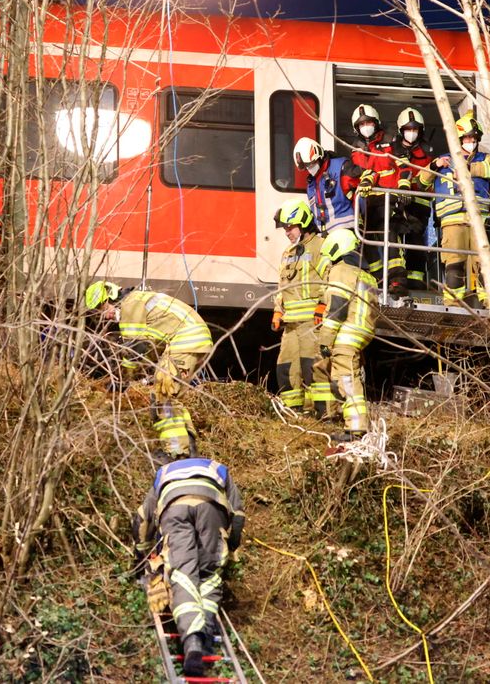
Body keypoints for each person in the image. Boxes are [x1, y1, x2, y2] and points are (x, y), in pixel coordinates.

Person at [132, 456, 246, 678]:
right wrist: (231, 544)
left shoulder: (163, 472)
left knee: (183, 574)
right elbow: (238, 514)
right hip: (212, 510)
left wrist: (141, 555)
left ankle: (192, 641)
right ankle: (205, 635)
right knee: (210, 574)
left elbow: (142, 519)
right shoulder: (217, 467)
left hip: (174, 510)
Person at [86, 281, 214, 458]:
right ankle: (189, 450)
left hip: (185, 341)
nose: (103, 316)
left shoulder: (129, 307)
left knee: (163, 397)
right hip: (193, 340)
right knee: (172, 397)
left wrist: (121, 381)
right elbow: (150, 346)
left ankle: (176, 452)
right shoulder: (137, 301)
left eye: (102, 308)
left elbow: (134, 349)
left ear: (111, 297)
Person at [418, 113, 490, 306]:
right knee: (454, 263)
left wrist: (467, 169)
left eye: (474, 138)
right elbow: (421, 182)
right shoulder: (443, 161)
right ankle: (453, 304)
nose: (471, 141)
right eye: (467, 138)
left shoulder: (486, 158)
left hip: (479, 220)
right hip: (451, 220)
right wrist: (434, 165)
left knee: (484, 264)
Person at [313, 228, 378, 442]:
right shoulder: (365, 273)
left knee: (346, 378)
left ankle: (356, 429)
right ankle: (353, 422)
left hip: (347, 332)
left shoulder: (341, 270)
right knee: (349, 376)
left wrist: (324, 341)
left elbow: (337, 308)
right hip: (363, 330)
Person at [270, 198, 332, 418]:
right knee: (285, 367)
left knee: (311, 367)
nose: (287, 232)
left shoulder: (321, 246)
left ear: (303, 223)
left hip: (311, 323)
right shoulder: (288, 253)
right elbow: (282, 285)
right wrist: (278, 310)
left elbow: (329, 279)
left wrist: (323, 305)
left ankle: (321, 413)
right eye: (285, 228)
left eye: (290, 227)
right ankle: (292, 411)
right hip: (291, 324)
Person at [347, 105, 408, 298]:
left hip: (388, 198)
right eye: (362, 124)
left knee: (390, 238)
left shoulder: (391, 142)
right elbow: (356, 175)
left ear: (376, 123)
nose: (366, 127)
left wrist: (404, 188)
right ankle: (377, 280)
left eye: (369, 123)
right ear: (357, 128)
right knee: (369, 241)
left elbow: (404, 167)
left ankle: (397, 281)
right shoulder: (356, 149)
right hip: (368, 203)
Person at [390, 107, 436, 293]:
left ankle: (416, 279)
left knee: (416, 242)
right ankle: (397, 279)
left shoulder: (427, 152)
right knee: (395, 239)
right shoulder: (392, 149)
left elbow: (427, 178)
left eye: (415, 129)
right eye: (408, 129)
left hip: (419, 205)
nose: (412, 132)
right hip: (397, 202)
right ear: (401, 130)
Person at [292, 136, 365, 233]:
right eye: (306, 167)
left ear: (319, 156)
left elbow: (362, 197)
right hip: (326, 238)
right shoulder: (311, 185)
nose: (310, 168)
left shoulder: (341, 168)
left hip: (348, 232)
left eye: (311, 163)